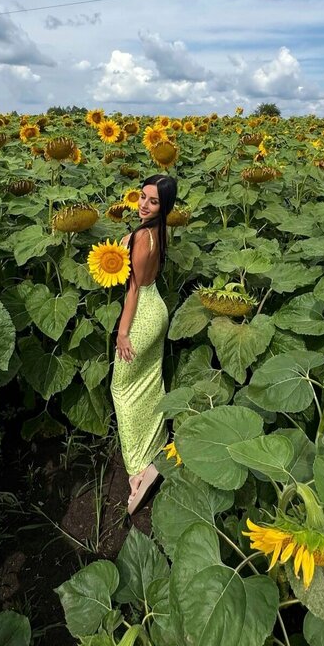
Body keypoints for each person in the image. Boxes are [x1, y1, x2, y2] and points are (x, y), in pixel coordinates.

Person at [111, 173, 178, 515]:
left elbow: (133, 288)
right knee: (149, 380)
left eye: (153, 201)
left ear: (163, 206)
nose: (144, 205)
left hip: (142, 315)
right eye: (142, 197)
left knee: (122, 388)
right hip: (158, 308)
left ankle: (138, 469)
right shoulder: (159, 231)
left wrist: (123, 332)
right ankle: (157, 445)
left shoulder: (141, 235)